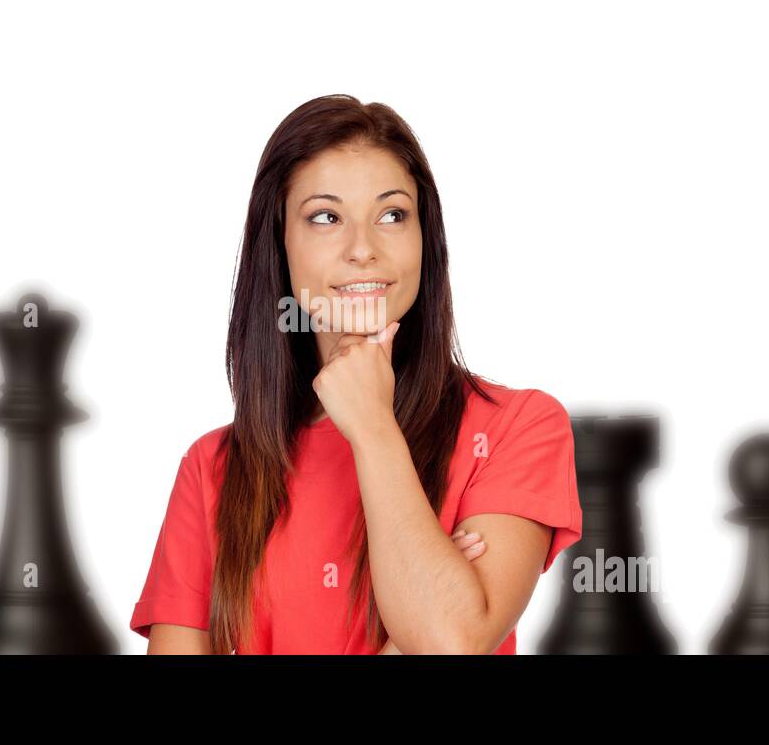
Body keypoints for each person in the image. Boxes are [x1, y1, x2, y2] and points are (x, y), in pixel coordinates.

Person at [129, 94, 582, 654]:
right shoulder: (213, 469)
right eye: (326, 217)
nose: (363, 248)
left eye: (393, 215)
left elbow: (450, 642)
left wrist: (373, 428)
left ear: (426, 239)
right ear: (281, 244)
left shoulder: (518, 427)